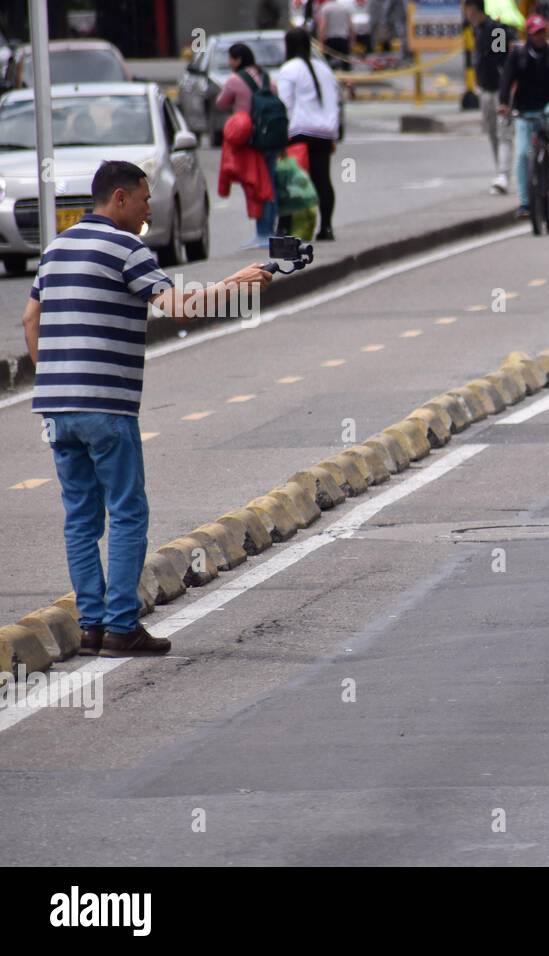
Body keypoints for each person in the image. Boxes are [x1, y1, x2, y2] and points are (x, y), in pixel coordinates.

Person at [21, 161, 272, 658]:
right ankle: (120, 626)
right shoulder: (126, 247)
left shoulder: (56, 249)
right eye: (143, 198)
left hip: (55, 408)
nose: (148, 209)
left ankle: (90, 627)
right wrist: (239, 282)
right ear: (118, 198)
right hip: (106, 406)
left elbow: (31, 317)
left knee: (79, 517)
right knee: (128, 512)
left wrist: (51, 374)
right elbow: (179, 306)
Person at [498, 15, 549, 220]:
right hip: (525, 109)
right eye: (535, 33)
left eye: (542, 32)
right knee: (522, 154)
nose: (539, 37)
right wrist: (503, 103)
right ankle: (524, 203)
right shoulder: (518, 55)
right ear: (529, 34)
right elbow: (506, 80)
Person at [215, 42, 280, 249]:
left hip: (250, 140)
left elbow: (221, 103)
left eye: (231, 58)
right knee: (269, 183)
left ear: (238, 59)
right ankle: (269, 230)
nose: (230, 62)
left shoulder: (235, 80)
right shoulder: (267, 78)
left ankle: (262, 234)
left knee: (256, 185)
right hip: (270, 136)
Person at [280, 27, 340, 240]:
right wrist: (333, 133)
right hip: (323, 132)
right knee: (322, 180)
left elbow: (285, 104)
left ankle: (286, 228)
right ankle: (326, 227)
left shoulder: (289, 69)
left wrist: (281, 135)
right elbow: (335, 102)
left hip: (299, 133)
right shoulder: (324, 69)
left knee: (291, 181)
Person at [466, 0, 517, 195]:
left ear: (474, 10)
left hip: (499, 91)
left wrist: (505, 92)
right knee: (493, 133)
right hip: (486, 90)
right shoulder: (477, 30)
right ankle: (500, 171)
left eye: (468, 10)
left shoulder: (496, 30)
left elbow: (500, 63)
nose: (467, 15)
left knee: (504, 133)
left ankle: (503, 174)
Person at [316, 0, 355, 71]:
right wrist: (352, 41)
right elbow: (351, 26)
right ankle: (347, 80)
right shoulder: (345, 8)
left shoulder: (326, 8)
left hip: (330, 39)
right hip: (343, 39)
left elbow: (323, 26)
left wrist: (321, 42)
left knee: (328, 65)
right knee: (345, 65)